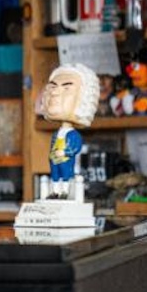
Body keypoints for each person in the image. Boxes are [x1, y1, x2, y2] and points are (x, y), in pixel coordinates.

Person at [38, 63, 100, 200]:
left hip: (65, 158)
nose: (54, 92)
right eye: (52, 87)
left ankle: (64, 193)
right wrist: (52, 155)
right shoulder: (56, 133)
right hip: (55, 159)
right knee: (55, 176)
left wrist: (65, 152)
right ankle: (55, 192)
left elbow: (75, 147)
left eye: (66, 88)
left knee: (66, 175)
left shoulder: (73, 134)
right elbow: (53, 144)